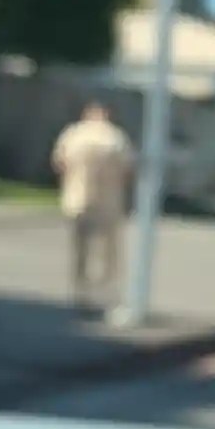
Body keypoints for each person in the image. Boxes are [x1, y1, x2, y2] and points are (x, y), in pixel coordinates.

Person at [51, 102, 135, 314]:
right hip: (108, 202)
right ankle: (104, 293)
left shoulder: (73, 135)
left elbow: (59, 162)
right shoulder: (116, 138)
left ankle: (81, 291)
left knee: (80, 248)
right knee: (106, 251)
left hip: (77, 199)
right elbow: (128, 169)